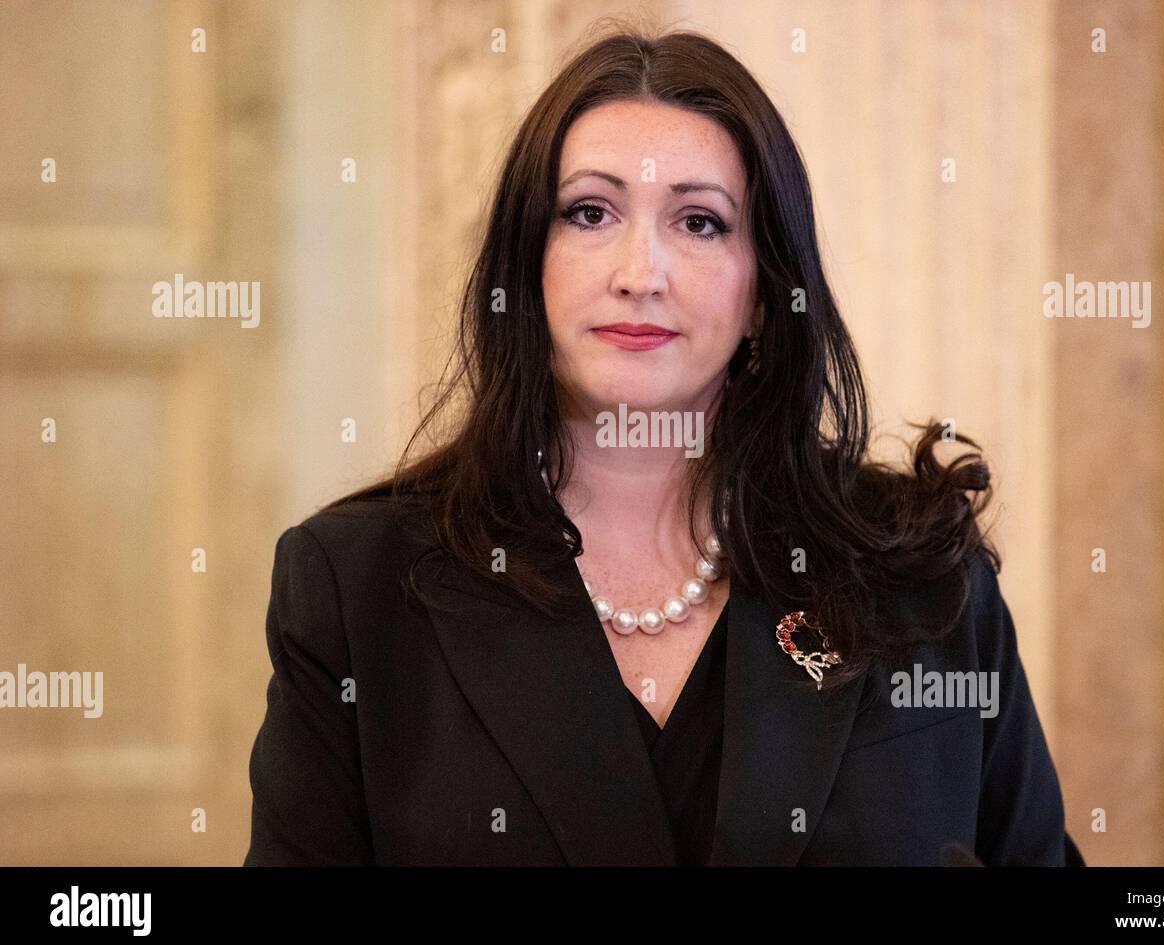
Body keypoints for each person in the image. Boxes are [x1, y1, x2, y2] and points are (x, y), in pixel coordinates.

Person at [244, 26, 1082, 867]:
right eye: (590, 213)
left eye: (700, 222)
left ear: (764, 292)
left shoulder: (923, 579)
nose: (640, 273)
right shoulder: (355, 590)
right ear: (527, 267)